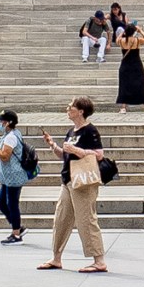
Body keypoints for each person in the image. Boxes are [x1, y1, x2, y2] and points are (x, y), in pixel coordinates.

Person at [37, 96, 107, 273]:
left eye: (71, 107)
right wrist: (53, 145)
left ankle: (99, 260)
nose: (67, 109)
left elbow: (99, 154)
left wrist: (78, 150)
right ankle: (56, 257)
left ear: (81, 111)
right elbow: (65, 156)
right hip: (68, 179)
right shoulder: (71, 132)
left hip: (83, 181)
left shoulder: (89, 130)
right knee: (61, 218)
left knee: (86, 220)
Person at [0, 109, 29, 245]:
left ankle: (16, 235)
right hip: (8, 177)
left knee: (12, 204)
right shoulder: (11, 134)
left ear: (8, 122)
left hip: (14, 176)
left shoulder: (11, 136)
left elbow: (5, 156)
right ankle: (17, 227)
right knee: (1, 202)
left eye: (2, 121)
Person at [116, 23, 144, 113]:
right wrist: (140, 31)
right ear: (133, 32)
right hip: (137, 65)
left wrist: (123, 32)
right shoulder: (137, 40)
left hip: (125, 65)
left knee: (124, 85)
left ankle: (123, 107)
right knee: (141, 86)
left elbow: (117, 40)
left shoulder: (122, 41)